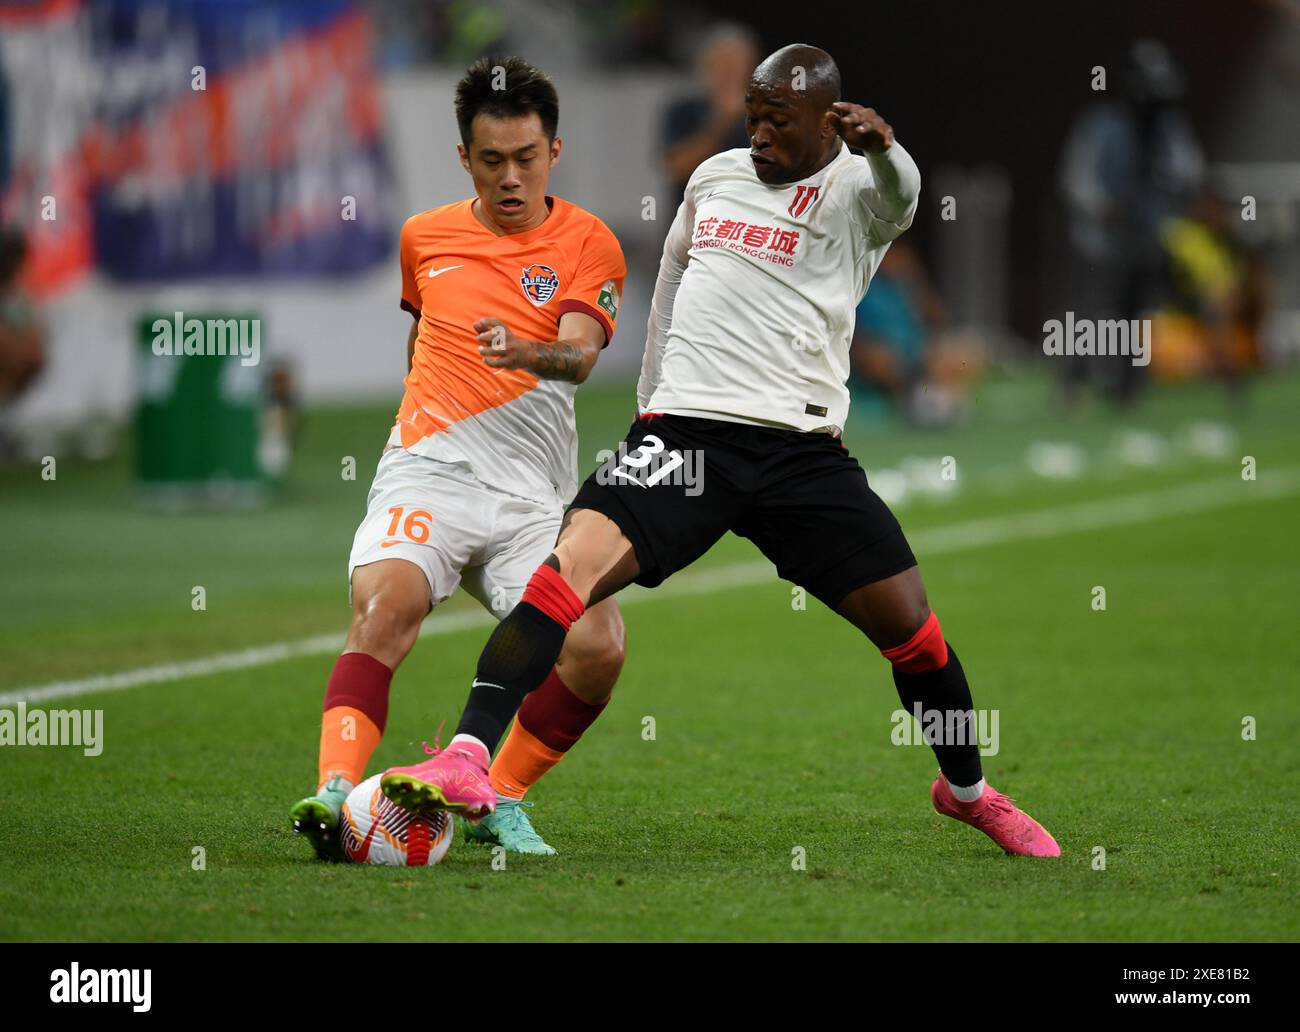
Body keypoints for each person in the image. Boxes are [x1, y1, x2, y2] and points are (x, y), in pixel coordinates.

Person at [378, 45, 1060, 858]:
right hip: (687, 435)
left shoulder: (857, 191)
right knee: (566, 572)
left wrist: (883, 147)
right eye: (755, 116)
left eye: (782, 121)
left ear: (826, 125)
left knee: (913, 632)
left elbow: (903, 195)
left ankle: (969, 792)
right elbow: (669, 284)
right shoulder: (716, 178)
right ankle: (468, 755)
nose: (762, 134)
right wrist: (648, 410)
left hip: (800, 450)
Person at [289, 56, 628, 859]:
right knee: (386, 610)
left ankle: (496, 792)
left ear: (554, 150)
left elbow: (581, 357)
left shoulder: (589, 242)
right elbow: (421, 340)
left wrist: (523, 350)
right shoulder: (425, 237)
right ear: (464, 159)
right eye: (491, 161)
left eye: (527, 158)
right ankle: (336, 795)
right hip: (429, 471)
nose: (511, 177)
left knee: (598, 649)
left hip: (532, 500)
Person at [660, 24, 759, 212]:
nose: (729, 72)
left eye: (736, 63)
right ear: (705, 66)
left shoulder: (766, 114)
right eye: (722, 63)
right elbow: (676, 168)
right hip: (694, 226)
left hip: (750, 225)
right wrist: (721, 121)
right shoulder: (682, 110)